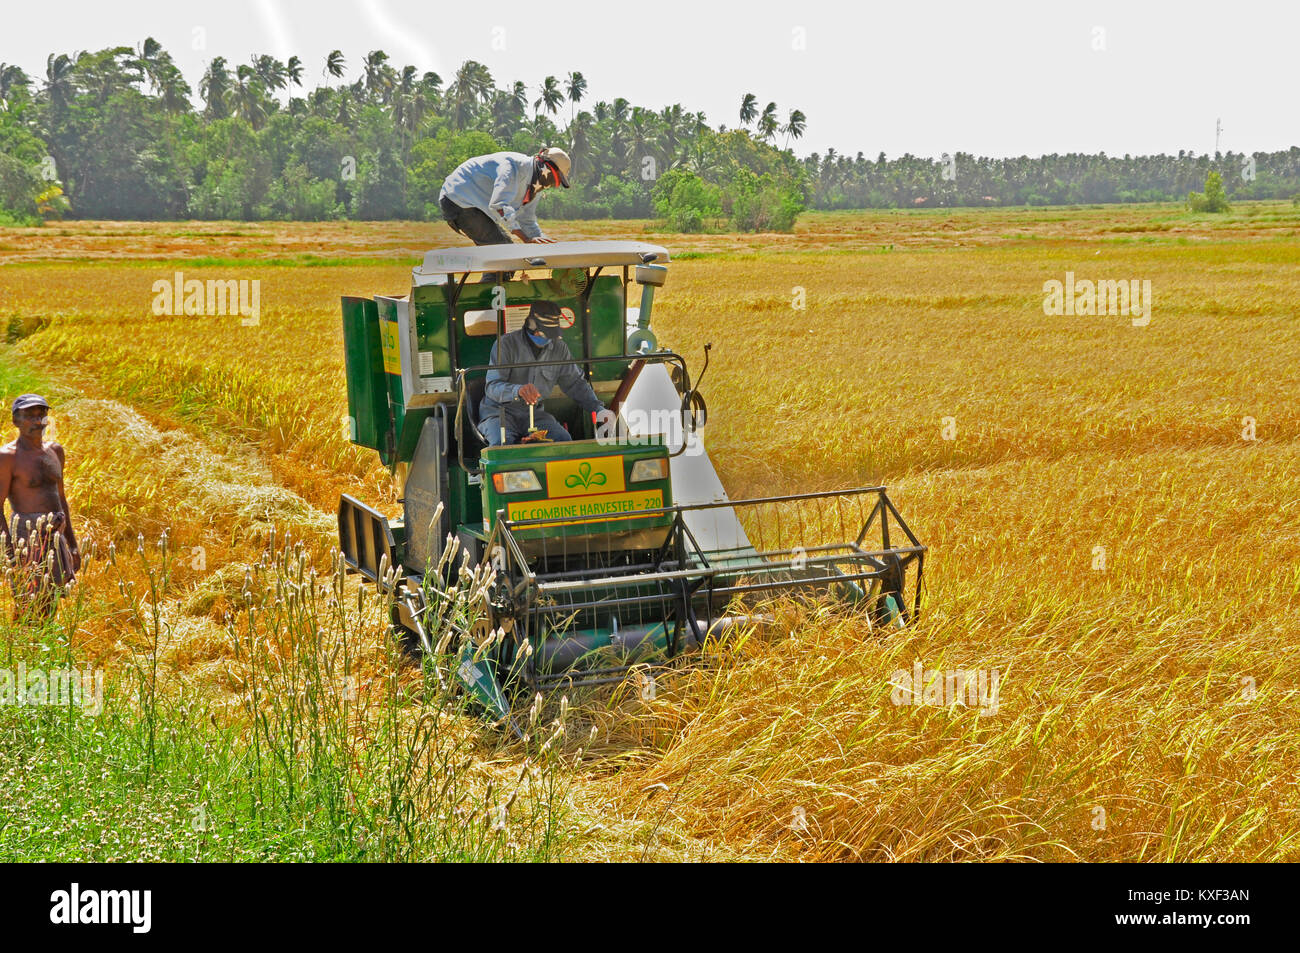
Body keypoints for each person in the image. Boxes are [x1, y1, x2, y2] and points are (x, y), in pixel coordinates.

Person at [478, 301, 604, 447]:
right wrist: (517, 390)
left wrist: (598, 409)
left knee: (563, 441)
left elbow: (575, 383)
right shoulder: (506, 344)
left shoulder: (559, 349)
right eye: (544, 333)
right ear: (531, 327)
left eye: (552, 335)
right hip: (498, 413)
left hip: (535, 415)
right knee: (503, 444)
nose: (548, 339)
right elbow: (492, 387)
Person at [0, 394, 79, 620]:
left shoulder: (55, 450)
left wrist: (72, 544)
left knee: (51, 599)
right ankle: (25, 651)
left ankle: (42, 650)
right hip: (27, 539)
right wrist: (10, 554)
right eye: (29, 416)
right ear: (16, 421)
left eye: (41, 415)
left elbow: (61, 499)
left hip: (56, 535)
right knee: (27, 604)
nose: (37, 422)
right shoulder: (8, 457)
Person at [439, 147, 571, 247]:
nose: (551, 186)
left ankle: (493, 282)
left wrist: (542, 240)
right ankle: (492, 283)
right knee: (502, 252)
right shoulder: (513, 167)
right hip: (458, 198)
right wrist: (525, 239)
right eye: (554, 181)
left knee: (504, 252)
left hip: (476, 204)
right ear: (544, 167)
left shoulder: (536, 186)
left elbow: (527, 219)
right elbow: (499, 205)